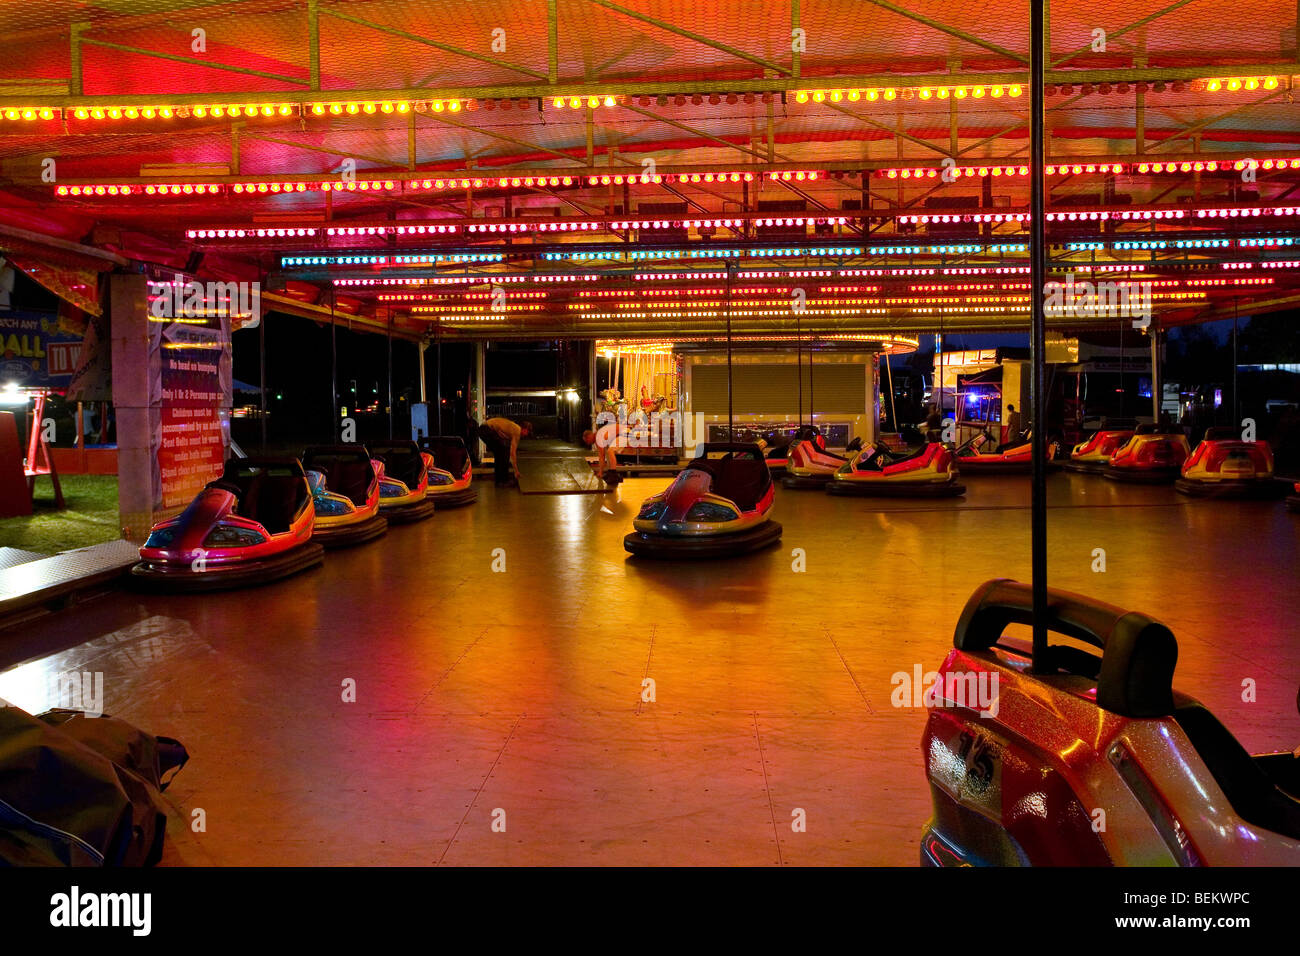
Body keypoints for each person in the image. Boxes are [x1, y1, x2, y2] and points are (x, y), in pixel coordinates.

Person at [477, 417, 533, 486]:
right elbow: (512, 453)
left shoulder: (513, 428)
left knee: (501, 453)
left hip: (483, 429)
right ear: (525, 429)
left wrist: (498, 431)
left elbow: (500, 431)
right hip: (486, 429)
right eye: (528, 432)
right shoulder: (517, 431)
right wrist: (516, 470)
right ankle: (503, 480)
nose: (526, 435)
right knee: (503, 453)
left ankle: (500, 481)